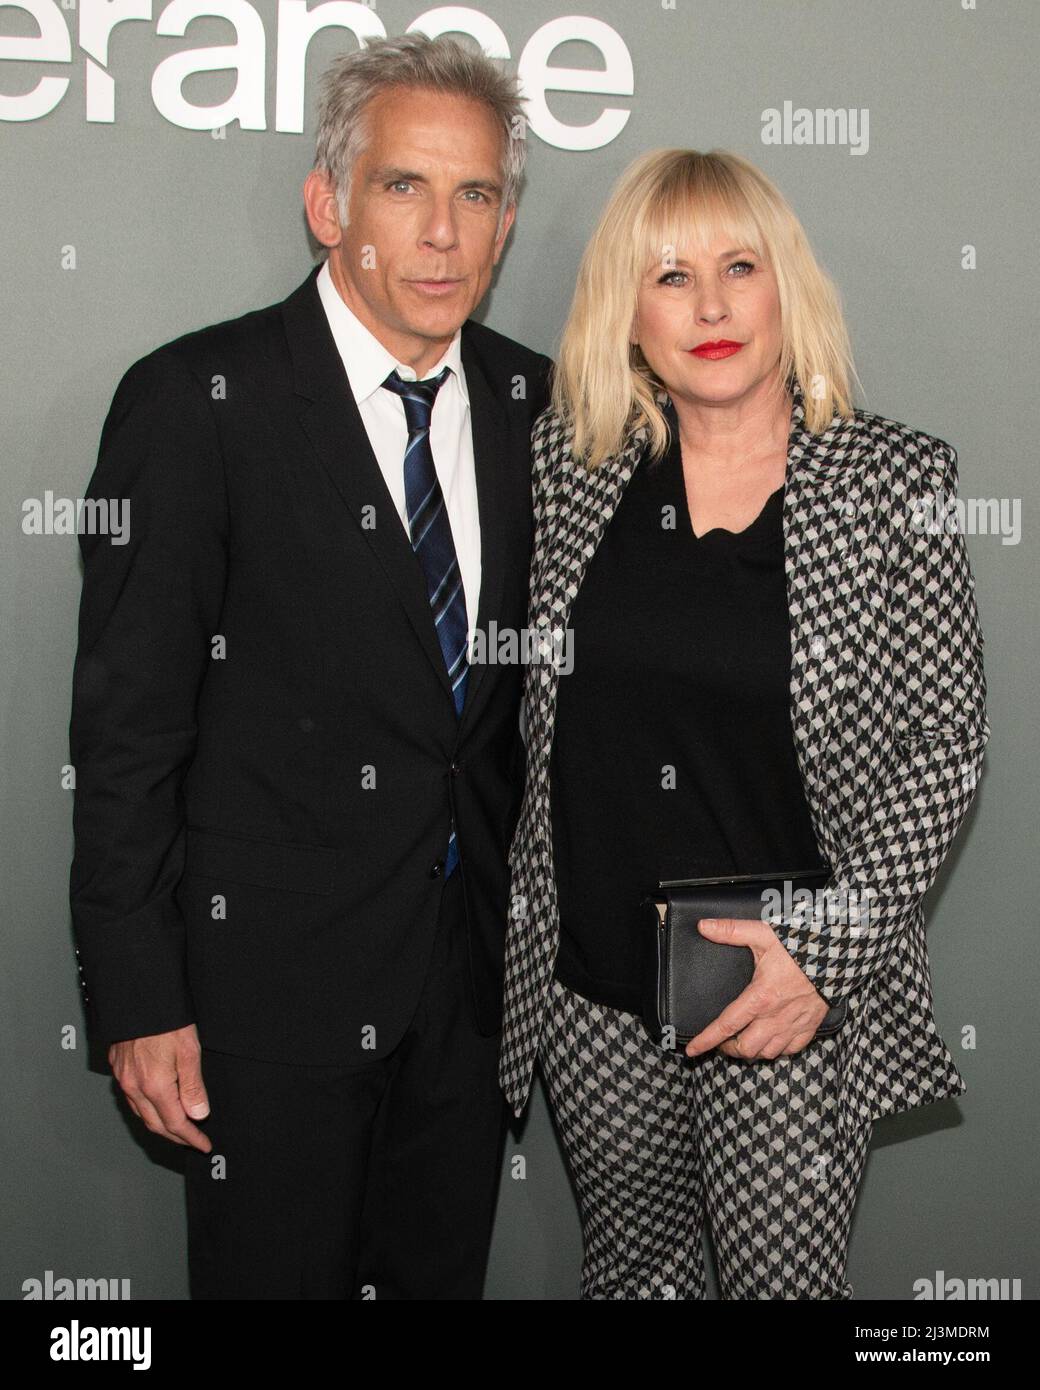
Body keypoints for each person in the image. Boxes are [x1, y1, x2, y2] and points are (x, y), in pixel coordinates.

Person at [69, 33, 551, 1300]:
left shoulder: (539, 409)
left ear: (504, 226)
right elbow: (127, 732)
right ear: (327, 204)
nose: (443, 231)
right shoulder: (196, 402)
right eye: (405, 186)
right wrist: (137, 995)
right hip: (260, 1004)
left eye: (477, 194)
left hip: (468, 997)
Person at [499, 148, 990, 1299]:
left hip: (780, 992)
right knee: (631, 1278)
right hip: (589, 987)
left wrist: (817, 957)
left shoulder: (892, 482)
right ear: (626, 310)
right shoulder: (571, 475)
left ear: (786, 288)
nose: (710, 305)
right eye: (668, 277)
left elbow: (943, 752)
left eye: (737, 266)